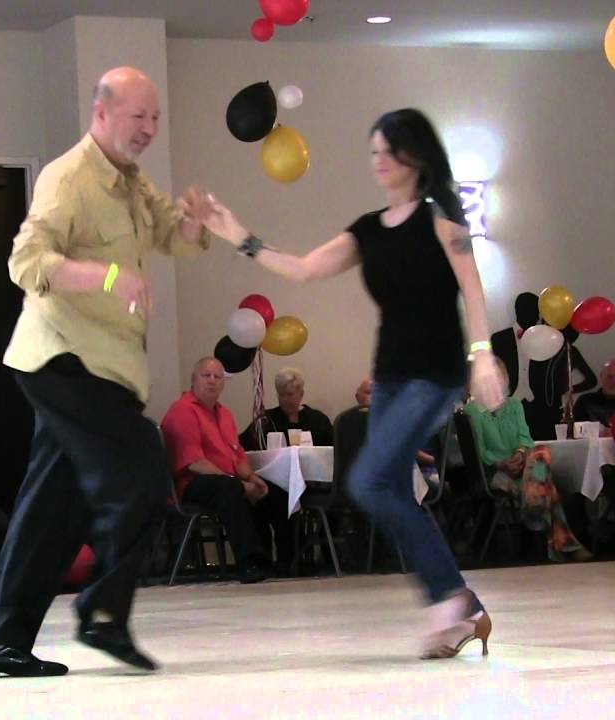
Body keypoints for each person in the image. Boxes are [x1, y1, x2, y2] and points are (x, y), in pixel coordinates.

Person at [196, 108, 503, 660]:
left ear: (414, 154)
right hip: (389, 376)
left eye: (388, 150)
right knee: (381, 485)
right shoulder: (368, 230)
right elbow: (306, 267)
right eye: (373, 151)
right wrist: (239, 237)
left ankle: (452, 603)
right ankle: (461, 604)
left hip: (436, 373)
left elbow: (472, 289)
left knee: (368, 481)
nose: (379, 161)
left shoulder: (442, 220)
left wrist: (482, 356)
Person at [0, 67, 217, 679]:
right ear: (102, 114)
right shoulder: (68, 177)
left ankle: (0, 644)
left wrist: (194, 220)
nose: (150, 129)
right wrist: (107, 277)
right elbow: (26, 261)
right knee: (141, 465)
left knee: (52, 506)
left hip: (102, 366)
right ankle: (104, 611)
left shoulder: (132, 183)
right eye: (139, 117)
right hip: (61, 357)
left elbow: (174, 238)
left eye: (155, 118)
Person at [161, 357, 280, 578]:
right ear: (193, 380)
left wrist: (251, 479)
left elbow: (238, 457)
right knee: (229, 488)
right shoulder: (182, 411)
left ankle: (279, 560)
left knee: (270, 488)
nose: (212, 381)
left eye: (217, 377)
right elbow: (195, 463)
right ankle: (249, 562)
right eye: (206, 376)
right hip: (190, 485)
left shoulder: (224, 414)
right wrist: (238, 482)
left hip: (225, 480)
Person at [467, 360, 591, 562]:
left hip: (525, 467)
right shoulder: (472, 412)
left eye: (497, 377)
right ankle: (562, 540)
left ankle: (534, 508)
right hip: (495, 472)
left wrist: (519, 455)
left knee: (540, 452)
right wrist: (502, 463)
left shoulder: (515, 405)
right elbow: (479, 451)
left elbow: (525, 439)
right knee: (546, 486)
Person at [240, 367, 334, 450]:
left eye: (289, 394)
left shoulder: (318, 421)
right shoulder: (267, 421)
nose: (285, 399)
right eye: (281, 395)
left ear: (301, 394)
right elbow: (240, 446)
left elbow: (334, 450)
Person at [573, 359, 615, 432]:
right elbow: (574, 429)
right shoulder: (585, 402)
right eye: (609, 377)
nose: (614, 381)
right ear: (601, 377)